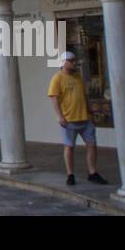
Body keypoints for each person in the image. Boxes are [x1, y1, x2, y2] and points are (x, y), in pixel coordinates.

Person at [48, 51, 108, 186]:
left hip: (85, 119)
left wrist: (90, 112)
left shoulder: (78, 78)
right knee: (69, 147)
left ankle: (92, 172)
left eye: (74, 60)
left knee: (92, 145)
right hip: (69, 120)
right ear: (64, 62)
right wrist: (60, 117)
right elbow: (54, 99)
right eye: (71, 60)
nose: (74, 63)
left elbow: (84, 96)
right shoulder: (57, 78)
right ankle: (70, 174)